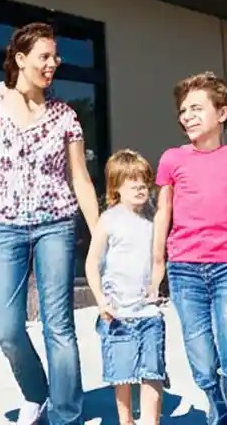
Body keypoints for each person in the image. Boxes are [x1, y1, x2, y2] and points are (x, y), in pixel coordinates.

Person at [0, 21, 102, 425]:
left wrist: (99, 233)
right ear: (21, 60)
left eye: (55, 56)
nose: (52, 63)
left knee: (58, 325)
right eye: (44, 56)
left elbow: (80, 178)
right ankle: (37, 392)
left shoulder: (65, 117)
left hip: (56, 225)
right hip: (6, 226)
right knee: (6, 329)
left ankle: (67, 414)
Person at [151, 73, 227, 425]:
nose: (186, 116)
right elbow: (163, 213)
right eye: (182, 110)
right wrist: (158, 263)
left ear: (221, 113)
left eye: (195, 108)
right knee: (202, 359)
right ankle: (220, 408)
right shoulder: (172, 159)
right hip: (185, 269)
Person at [85, 149, 167, 425]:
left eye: (144, 180)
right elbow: (92, 263)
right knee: (122, 375)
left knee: (152, 372)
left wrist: (157, 286)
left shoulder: (155, 217)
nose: (139, 186)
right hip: (117, 313)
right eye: (131, 180)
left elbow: (160, 258)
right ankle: (126, 420)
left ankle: (151, 421)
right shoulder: (109, 219)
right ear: (116, 187)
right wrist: (101, 301)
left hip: (149, 312)